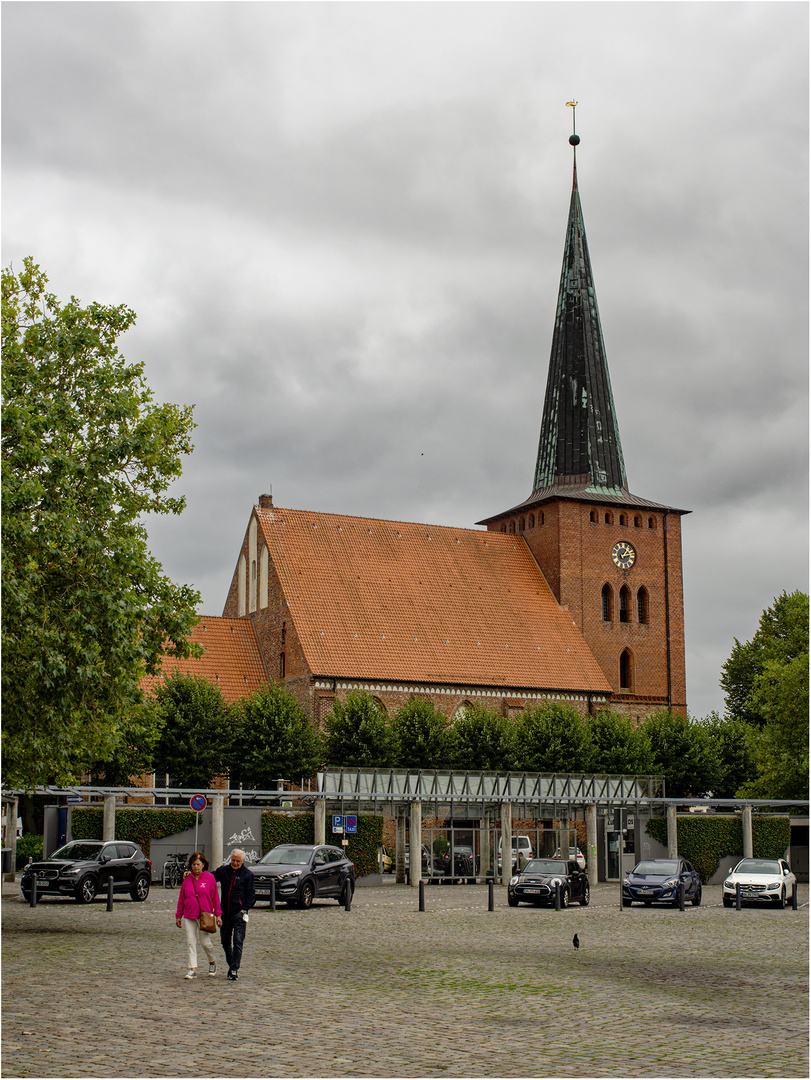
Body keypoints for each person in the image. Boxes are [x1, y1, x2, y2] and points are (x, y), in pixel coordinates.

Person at [175, 851, 222, 980]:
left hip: (204, 916)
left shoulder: (209, 878)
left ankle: (212, 961)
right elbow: (181, 899)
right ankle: (192, 968)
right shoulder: (187, 881)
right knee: (191, 942)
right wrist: (178, 915)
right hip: (189, 915)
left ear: (203, 865)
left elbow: (215, 898)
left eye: (198, 864)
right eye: (194, 864)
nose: (196, 867)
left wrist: (218, 915)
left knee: (205, 942)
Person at [213, 848, 256, 981]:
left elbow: (251, 895)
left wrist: (244, 910)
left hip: (239, 913)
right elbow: (210, 878)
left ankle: (234, 969)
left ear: (242, 862)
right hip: (225, 912)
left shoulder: (247, 875)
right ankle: (232, 964)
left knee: (238, 942)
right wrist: (195, 875)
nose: (235, 863)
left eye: (237, 861)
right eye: (233, 860)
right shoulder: (224, 871)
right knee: (225, 942)